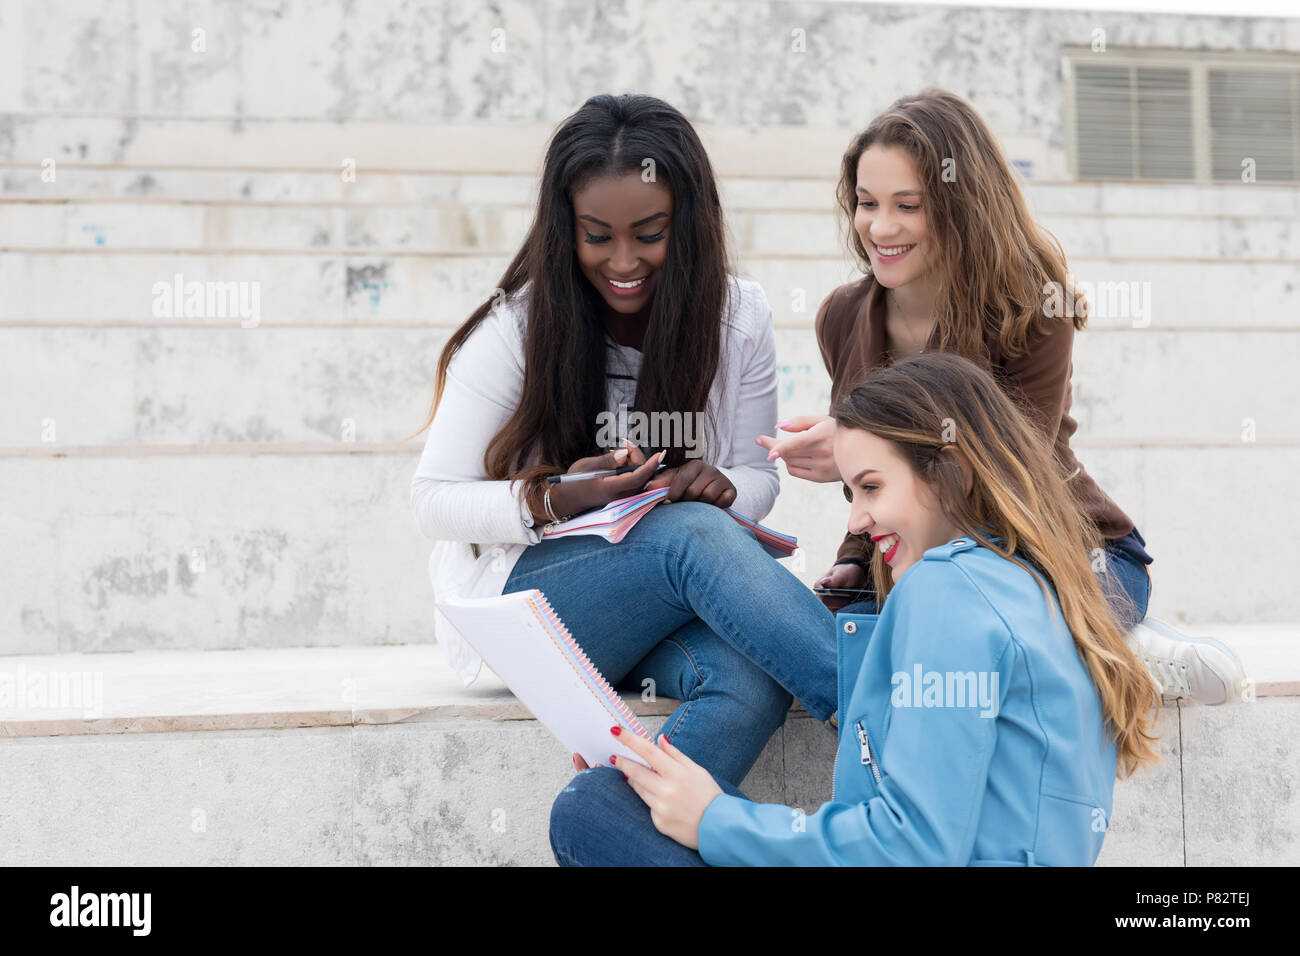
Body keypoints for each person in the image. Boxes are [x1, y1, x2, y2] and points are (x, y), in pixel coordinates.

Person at [549, 352, 1162, 866]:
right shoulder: (1040, 589)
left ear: (951, 473)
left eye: (871, 487)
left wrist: (717, 821)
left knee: (593, 809)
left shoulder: (946, 592)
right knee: (616, 795)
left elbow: (914, 847)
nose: (856, 521)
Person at [407, 93, 844, 789]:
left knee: (750, 678)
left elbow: (759, 479)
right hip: (533, 606)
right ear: (564, 229)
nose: (623, 260)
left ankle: (608, 827)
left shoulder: (738, 318)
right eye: (596, 235)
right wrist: (554, 499)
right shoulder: (515, 329)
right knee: (692, 534)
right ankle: (887, 732)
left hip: (661, 599)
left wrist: (724, 487)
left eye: (649, 233)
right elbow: (431, 500)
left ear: (690, 223)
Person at [756, 88, 1248, 706]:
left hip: (1047, 546)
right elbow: (877, 485)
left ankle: (1120, 643)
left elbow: (1013, 470)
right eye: (866, 203)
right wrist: (857, 554)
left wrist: (868, 441)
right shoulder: (843, 316)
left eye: (907, 205)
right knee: (820, 636)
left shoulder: (1034, 306)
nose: (880, 227)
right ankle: (1095, 645)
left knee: (970, 628)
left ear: (961, 204)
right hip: (913, 560)